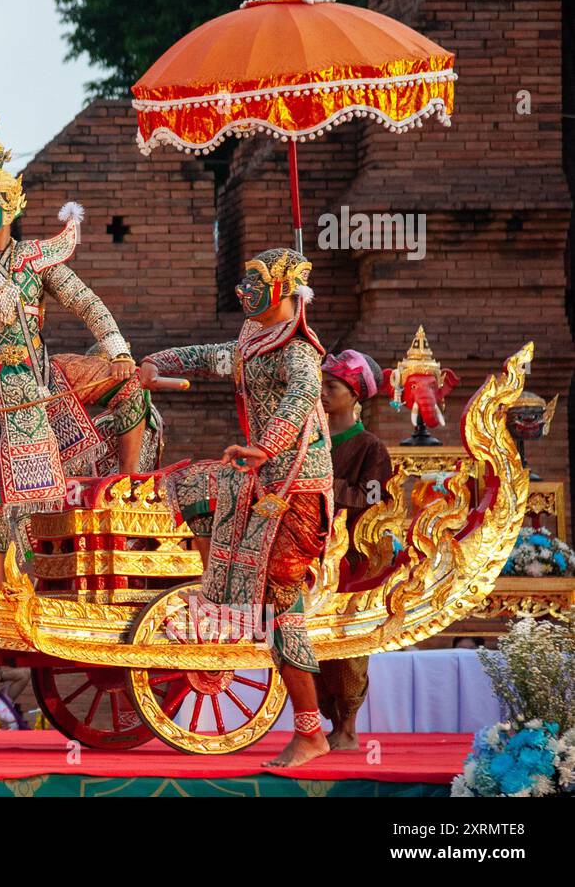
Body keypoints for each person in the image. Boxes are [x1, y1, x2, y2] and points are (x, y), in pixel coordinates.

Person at [0, 85, 162, 587]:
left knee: (129, 390)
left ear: (7, 206)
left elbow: (87, 303)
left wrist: (118, 353)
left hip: (45, 381)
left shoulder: (37, 262)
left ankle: (127, 487)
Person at [140, 246, 334, 768]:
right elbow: (212, 357)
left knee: (281, 602)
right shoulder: (254, 339)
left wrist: (267, 444)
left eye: (253, 282)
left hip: (297, 485)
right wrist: (160, 361)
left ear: (284, 288)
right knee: (183, 486)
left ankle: (311, 733)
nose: (241, 290)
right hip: (257, 476)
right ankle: (225, 593)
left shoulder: (299, 350)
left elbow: (299, 400)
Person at [314, 349, 393, 751]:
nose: (323, 392)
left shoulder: (369, 447)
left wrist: (323, 487)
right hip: (309, 553)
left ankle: (347, 725)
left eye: (333, 386)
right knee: (307, 642)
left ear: (355, 395)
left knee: (344, 644)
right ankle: (324, 721)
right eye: (322, 384)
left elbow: (374, 497)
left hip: (350, 559)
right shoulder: (311, 440)